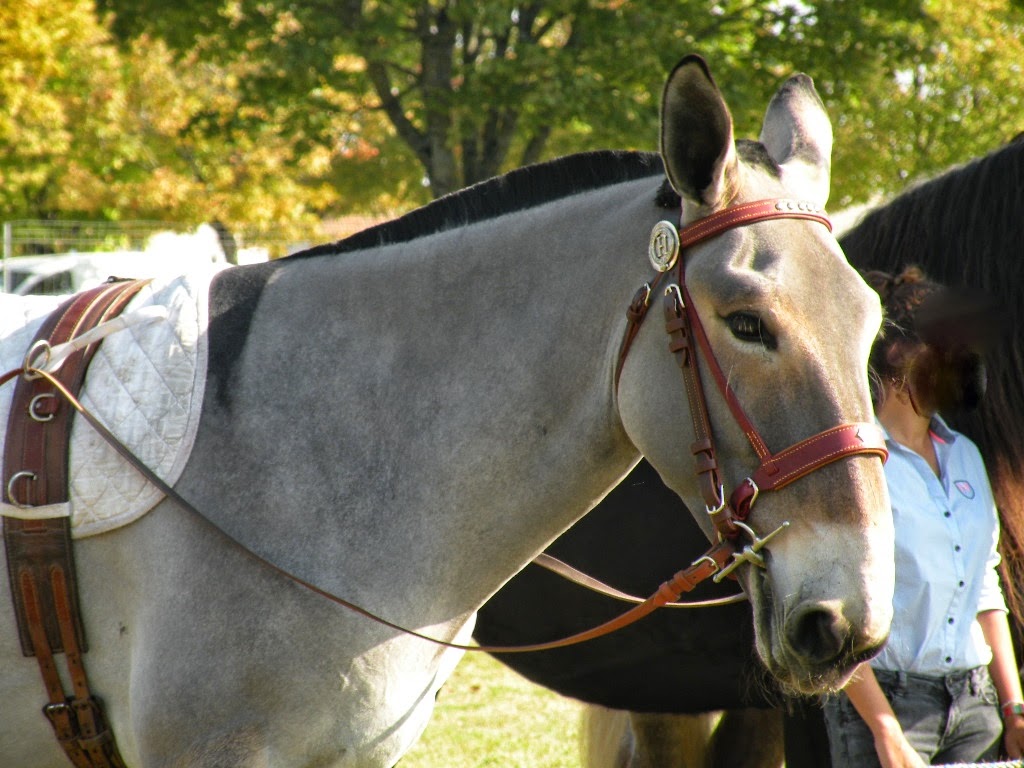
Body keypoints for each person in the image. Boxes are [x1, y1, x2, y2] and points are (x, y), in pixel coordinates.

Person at [823, 265, 1024, 767]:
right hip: (891, 707)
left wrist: (1013, 705)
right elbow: (838, 615)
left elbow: (983, 586)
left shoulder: (966, 457)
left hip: (977, 710)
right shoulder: (856, 467)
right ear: (898, 355)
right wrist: (885, 731)